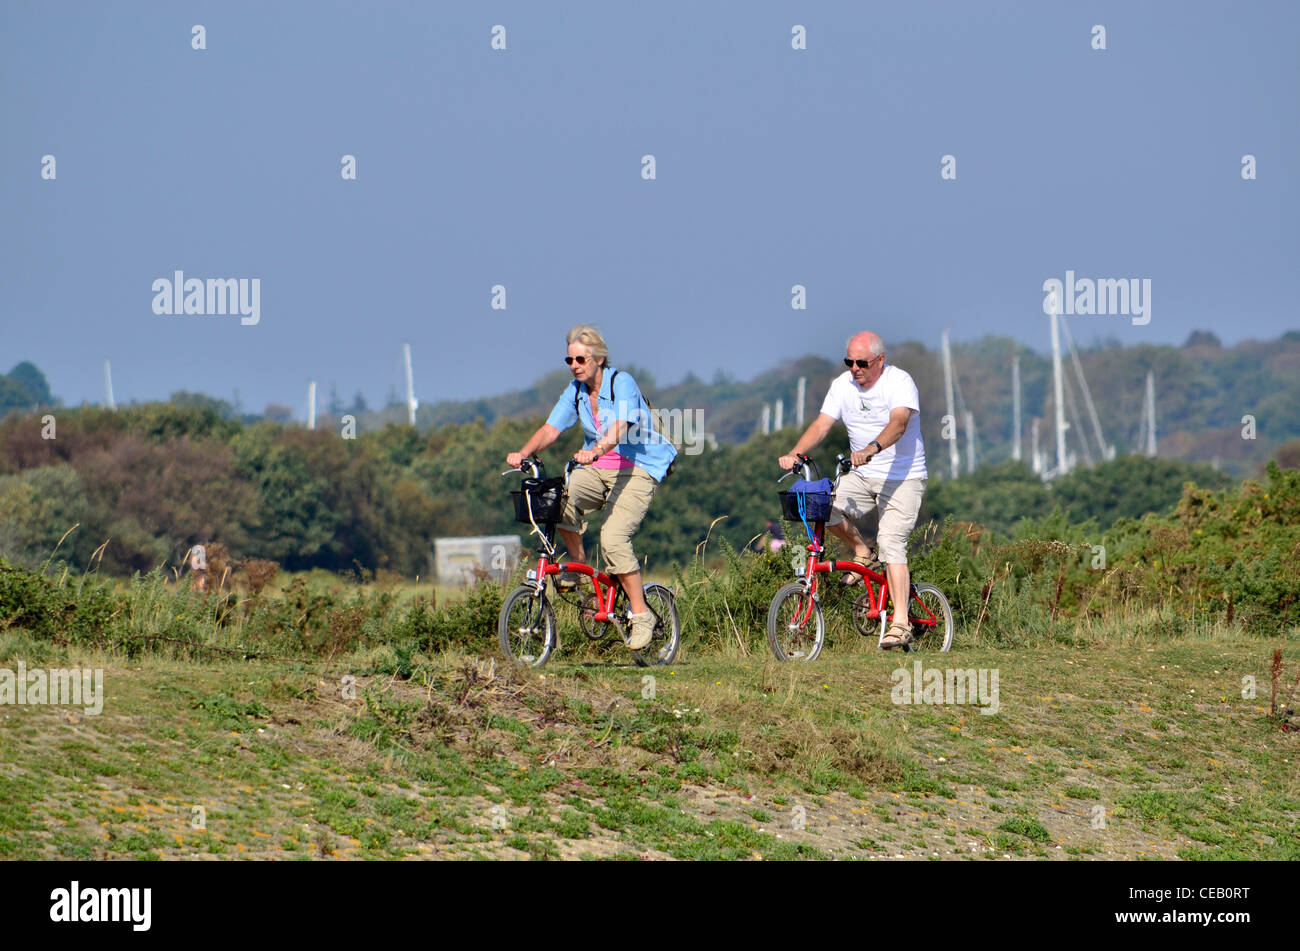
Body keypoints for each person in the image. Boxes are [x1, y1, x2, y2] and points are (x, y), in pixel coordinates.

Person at [507, 324, 678, 651]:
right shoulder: (574, 391)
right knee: (558, 501)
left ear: (598, 358)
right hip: (598, 469)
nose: (574, 365)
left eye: (581, 359)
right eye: (569, 359)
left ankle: (642, 615)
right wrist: (524, 453)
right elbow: (551, 428)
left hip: (637, 468)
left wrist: (598, 449)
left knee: (612, 539)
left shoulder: (621, 382)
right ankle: (579, 566)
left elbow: (621, 424)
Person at [778, 331, 928, 649]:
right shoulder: (842, 386)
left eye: (862, 362)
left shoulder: (899, 382)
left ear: (880, 360)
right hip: (861, 476)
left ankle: (900, 623)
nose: (855, 368)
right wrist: (795, 453)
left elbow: (899, 423)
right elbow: (821, 424)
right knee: (820, 507)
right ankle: (862, 552)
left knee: (891, 542)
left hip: (903, 478)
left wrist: (873, 448)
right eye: (850, 361)